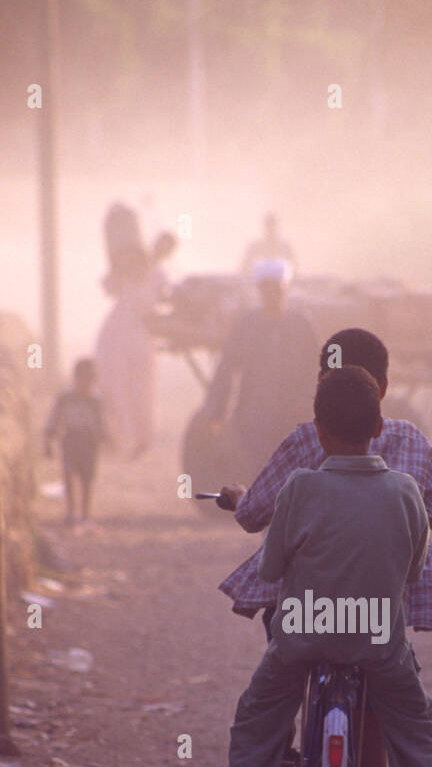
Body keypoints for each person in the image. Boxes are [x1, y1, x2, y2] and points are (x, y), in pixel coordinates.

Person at [205, 365, 432, 767]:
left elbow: (271, 567)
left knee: (256, 723)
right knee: (414, 729)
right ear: (379, 426)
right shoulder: (403, 492)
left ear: (318, 431)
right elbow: (412, 569)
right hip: (379, 642)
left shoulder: (300, 487)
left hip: (303, 636)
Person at [193, 258, 319, 482]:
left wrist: (310, 406)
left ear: (285, 289)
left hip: (295, 414)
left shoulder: (302, 325)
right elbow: (226, 370)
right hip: (255, 415)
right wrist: (216, 411)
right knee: (262, 471)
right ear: (259, 291)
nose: (271, 295)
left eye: (276, 289)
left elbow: (317, 369)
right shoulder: (246, 326)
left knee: (294, 474)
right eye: (266, 289)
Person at [94, 204, 176, 458]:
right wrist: (125, 268)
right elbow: (108, 286)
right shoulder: (128, 270)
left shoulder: (160, 275)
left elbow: (165, 302)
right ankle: (116, 437)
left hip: (140, 336)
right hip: (115, 334)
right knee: (112, 383)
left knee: (141, 388)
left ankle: (141, 440)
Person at [43, 358, 110, 530]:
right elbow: (54, 418)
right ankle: (71, 513)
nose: (86, 384)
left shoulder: (95, 401)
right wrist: (48, 440)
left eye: (90, 379)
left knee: (87, 479)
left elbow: (101, 423)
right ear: (76, 378)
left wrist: (105, 439)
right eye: (84, 379)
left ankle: (86, 514)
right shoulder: (65, 398)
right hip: (71, 440)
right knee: (69, 475)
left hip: (89, 442)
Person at [240, 212, 297, 276]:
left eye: (272, 225)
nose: (270, 229)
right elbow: (243, 268)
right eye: (268, 225)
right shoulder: (255, 247)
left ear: (276, 227)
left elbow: (294, 268)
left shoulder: (284, 247)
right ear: (264, 227)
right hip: (259, 283)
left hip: (280, 284)